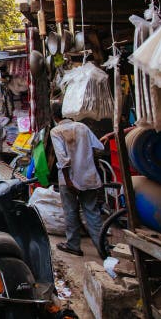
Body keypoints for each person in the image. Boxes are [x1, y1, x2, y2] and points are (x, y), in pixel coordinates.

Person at [50, 102, 104, 257]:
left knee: (71, 212)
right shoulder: (82, 127)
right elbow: (99, 147)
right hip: (88, 176)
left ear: (55, 116)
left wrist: (68, 181)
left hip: (69, 179)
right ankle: (103, 248)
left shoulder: (56, 131)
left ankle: (73, 245)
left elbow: (63, 159)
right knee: (92, 212)